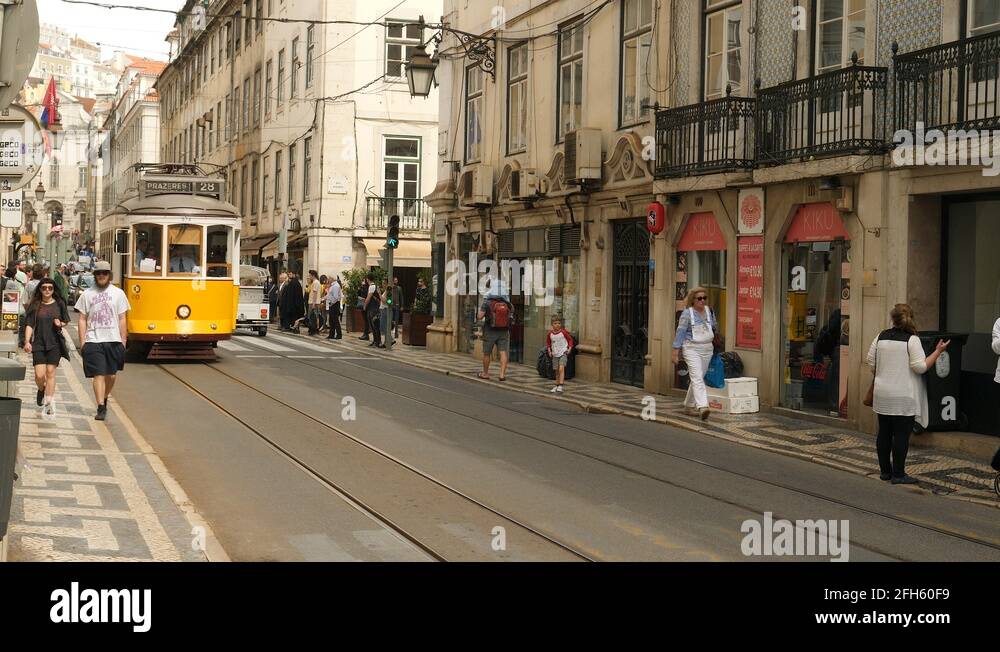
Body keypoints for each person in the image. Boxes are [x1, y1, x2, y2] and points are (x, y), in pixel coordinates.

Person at [866, 304, 948, 485]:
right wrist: (938, 351)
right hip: (903, 396)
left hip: (882, 394)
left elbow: (870, 361)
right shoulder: (912, 340)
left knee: (884, 433)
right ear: (911, 318)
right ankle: (899, 474)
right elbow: (920, 367)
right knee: (901, 435)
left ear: (893, 318)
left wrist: (882, 372)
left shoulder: (880, 336)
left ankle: (885, 472)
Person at [75, 261, 131, 421]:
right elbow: (82, 319)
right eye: (98, 273)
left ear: (109, 275)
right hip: (93, 340)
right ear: (95, 275)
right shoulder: (87, 294)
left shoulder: (118, 293)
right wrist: (83, 342)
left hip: (114, 340)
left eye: (104, 273)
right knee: (98, 374)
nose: (101, 276)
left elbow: (122, 318)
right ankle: (100, 406)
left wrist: (123, 341)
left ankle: (105, 397)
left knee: (111, 376)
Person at [24, 278, 71, 416]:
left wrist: (60, 324)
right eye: (44, 288)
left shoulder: (59, 304)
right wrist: (27, 341)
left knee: (51, 373)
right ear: (40, 289)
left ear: (53, 289)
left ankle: (49, 403)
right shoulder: (36, 305)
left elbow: (66, 321)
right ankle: (41, 389)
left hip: (54, 343)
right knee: (39, 375)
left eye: (50, 288)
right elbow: (29, 324)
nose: (47, 290)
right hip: (38, 343)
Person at [672, 287, 719, 421]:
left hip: (707, 349)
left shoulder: (709, 311)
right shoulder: (687, 314)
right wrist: (675, 352)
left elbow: (715, 327)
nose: (702, 301)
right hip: (691, 348)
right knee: (697, 377)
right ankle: (703, 406)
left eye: (705, 298)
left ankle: (688, 406)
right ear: (693, 300)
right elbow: (680, 333)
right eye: (699, 298)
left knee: (697, 377)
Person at [477, 278, 513, 381]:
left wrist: (479, 313)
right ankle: (502, 375)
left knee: (487, 353)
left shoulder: (487, 302)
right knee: (503, 352)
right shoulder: (507, 302)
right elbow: (511, 315)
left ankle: (485, 373)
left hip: (490, 330)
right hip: (504, 331)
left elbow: (480, 316)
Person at [546, 315, 574, 394]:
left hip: (563, 353)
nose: (557, 325)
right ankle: (557, 384)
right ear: (552, 324)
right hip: (555, 354)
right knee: (556, 370)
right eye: (555, 323)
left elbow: (570, 340)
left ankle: (561, 385)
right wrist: (549, 351)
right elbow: (548, 343)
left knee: (561, 368)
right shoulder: (550, 334)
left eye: (559, 323)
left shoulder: (563, 332)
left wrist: (569, 349)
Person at [363, 274, 382, 347]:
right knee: (375, 325)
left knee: (373, 325)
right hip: (375, 308)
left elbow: (368, 297)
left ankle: (376, 341)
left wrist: (365, 305)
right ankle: (376, 341)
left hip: (372, 308)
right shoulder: (376, 286)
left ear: (368, 279)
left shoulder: (371, 287)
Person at [326, 275, 343, 340]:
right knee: (331, 320)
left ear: (332, 279)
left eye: (329, 278)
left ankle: (339, 335)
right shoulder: (333, 285)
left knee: (335, 320)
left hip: (334, 305)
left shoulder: (335, 286)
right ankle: (331, 334)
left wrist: (331, 303)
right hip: (332, 304)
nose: (328, 279)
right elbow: (330, 295)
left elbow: (336, 297)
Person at [306, 270, 322, 335]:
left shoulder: (315, 282)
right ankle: (315, 329)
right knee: (315, 316)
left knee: (313, 316)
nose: (309, 277)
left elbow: (315, 293)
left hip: (313, 302)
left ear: (313, 275)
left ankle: (313, 329)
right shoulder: (315, 282)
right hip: (314, 302)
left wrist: (313, 304)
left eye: (310, 275)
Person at [358, 276, 371, 340]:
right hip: (363, 305)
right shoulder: (362, 287)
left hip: (366, 305)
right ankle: (365, 334)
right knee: (365, 320)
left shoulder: (367, 288)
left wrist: (363, 299)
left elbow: (366, 296)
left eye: (363, 280)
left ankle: (366, 334)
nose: (362, 281)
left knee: (366, 320)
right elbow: (358, 294)